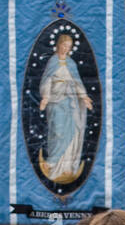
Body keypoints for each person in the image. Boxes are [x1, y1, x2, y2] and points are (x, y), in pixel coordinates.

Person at [38, 32, 93, 183]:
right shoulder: (53, 62)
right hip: (56, 101)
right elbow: (47, 80)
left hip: (70, 101)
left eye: (69, 47)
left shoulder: (71, 63)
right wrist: (46, 97)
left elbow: (76, 82)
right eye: (64, 45)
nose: (66, 49)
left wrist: (84, 97)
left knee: (72, 130)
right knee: (58, 131)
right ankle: (53, 163)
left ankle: (67, 166)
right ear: (58, 45)